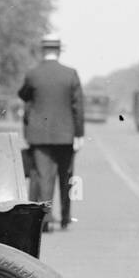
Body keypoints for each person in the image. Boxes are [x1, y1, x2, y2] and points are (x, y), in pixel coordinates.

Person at [18, 35, 84, 232]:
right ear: (59, 51)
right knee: (66, 177)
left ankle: (45, 221)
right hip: (66, 136)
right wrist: (79, 134)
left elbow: (23, 94)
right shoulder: (71, 74)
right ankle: (65, 218)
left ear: (42, 51)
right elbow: (78, 107)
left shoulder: (33, 74)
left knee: (44, 177)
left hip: (39, 136)